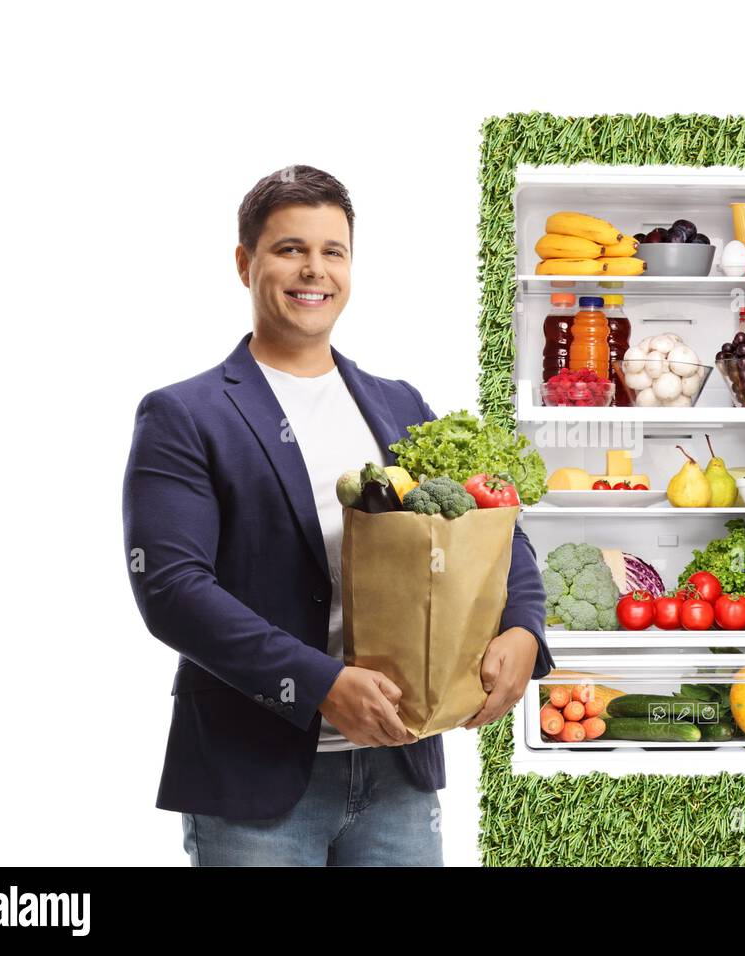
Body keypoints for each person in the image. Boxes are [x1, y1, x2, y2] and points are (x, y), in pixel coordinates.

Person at [122, 165, 552, 866]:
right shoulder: (184, 415)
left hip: (398, 772)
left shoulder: (400, 404)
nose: (313, 270)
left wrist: (524, 629)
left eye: (333, 251)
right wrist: (321, 686)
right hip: (252, 781)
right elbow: (172, 590)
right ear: (245, 263)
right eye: (290, 249)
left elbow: (499, 530)